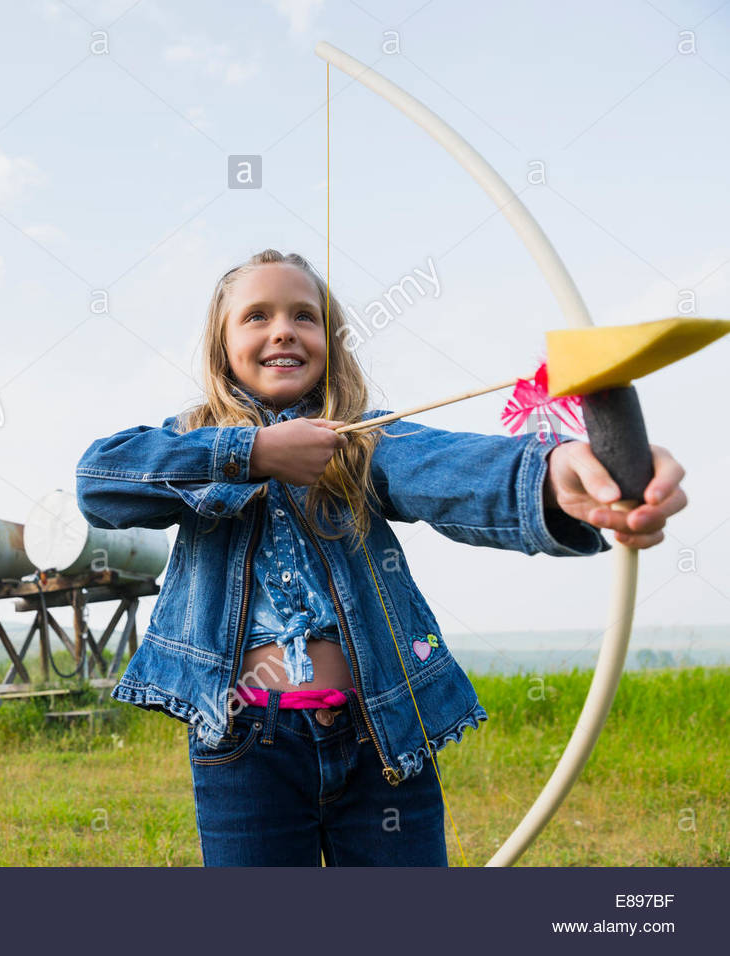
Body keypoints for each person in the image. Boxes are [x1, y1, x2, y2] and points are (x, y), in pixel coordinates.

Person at [73, 249, 688, 866]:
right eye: (256, 316)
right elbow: (100, 481)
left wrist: (557, 473)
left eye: (304, 316)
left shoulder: (364, 441)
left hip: (380, 736)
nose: (283, 329)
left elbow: (448, 470)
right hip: (244, 743)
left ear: (330, 344)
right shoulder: (191, 443)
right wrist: (252, 452)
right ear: (221, 346)